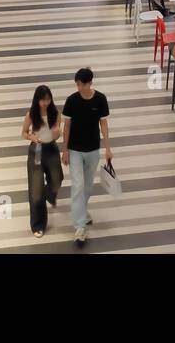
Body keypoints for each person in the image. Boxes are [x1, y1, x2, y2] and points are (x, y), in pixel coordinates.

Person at [61, 67, 111, 247]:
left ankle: (82, 211)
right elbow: (66, 127)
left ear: (89, 83)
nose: (78, 87)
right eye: (77, 84)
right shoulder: (71, 101)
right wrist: (64, 150)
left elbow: (103, 124)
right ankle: (80, 227)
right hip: (74, 150)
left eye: (81, 84)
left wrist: (107, 148)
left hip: (92, 150)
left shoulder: (100, 99)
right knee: (78, 186)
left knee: (88, 186)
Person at [22, 85, 63, 238]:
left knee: (57, 179)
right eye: (42, 100)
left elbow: (57, 135)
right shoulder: (31, 114)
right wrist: (32, 137)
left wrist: (57, 133)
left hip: (51, 149)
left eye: (48, 99)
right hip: (36, 151)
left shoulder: (56, 113)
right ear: (37, 100)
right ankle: (38, 224)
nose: (45, 103)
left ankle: (49, 194)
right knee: (35, 192)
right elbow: (24, 133)